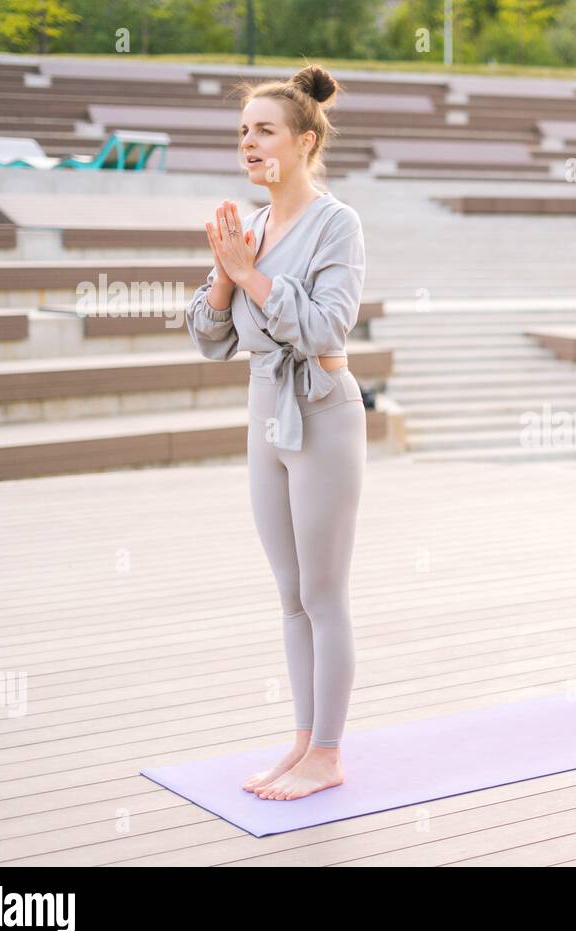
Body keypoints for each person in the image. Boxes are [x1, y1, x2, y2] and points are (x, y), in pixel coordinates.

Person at [184, 63, 366, 801]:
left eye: (263, 131)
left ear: (304, 140)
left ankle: (328, 752)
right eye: (242, 133)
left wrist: (252, 278)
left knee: (324, 595)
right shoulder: (249, 227)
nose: (249, 144)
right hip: (265, 408)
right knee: (289, 595)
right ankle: (301, 741)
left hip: (322, 409)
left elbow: (328, 326)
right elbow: (208, 337)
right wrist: (226, 277)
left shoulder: (337, 223)